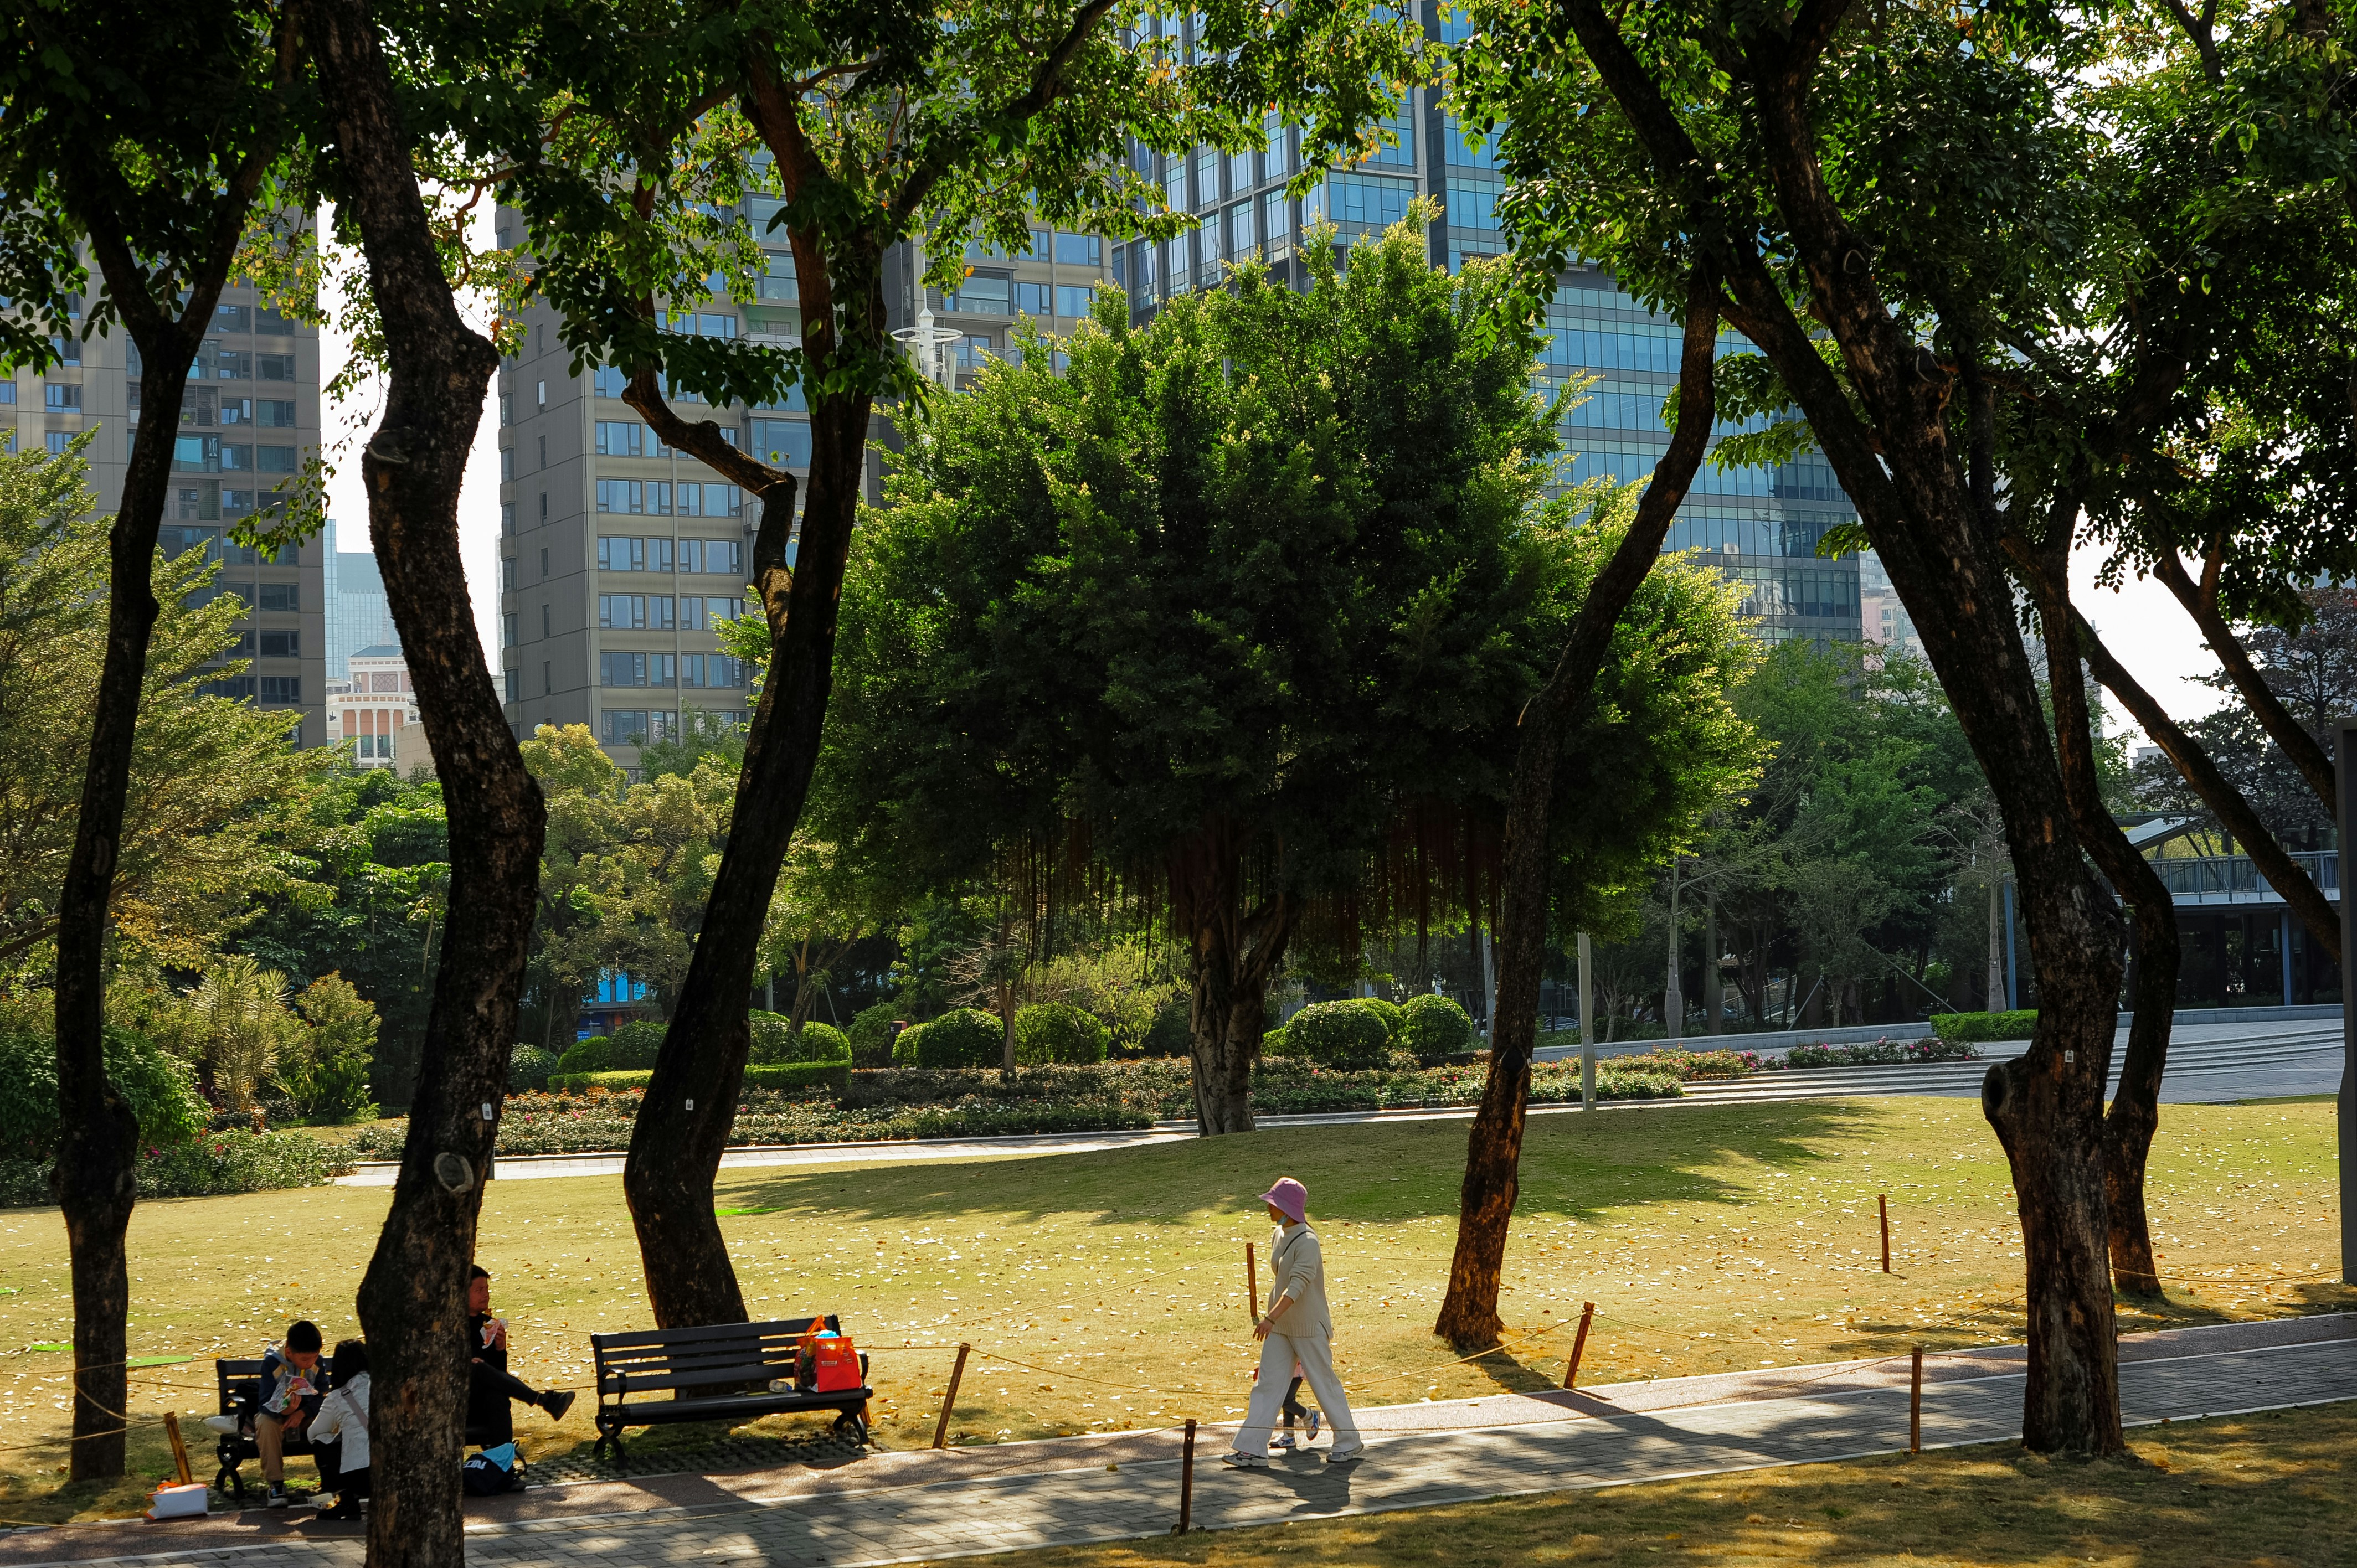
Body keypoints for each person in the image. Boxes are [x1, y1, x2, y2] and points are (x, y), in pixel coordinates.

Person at [1224, 1177, 1362, 1469]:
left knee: (1325, 1384)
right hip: (1282, 1326)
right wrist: (1274, 1319)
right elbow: (1282, 1281)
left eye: (1274, 1204)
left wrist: (1270, 1317)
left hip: (1308, 1326)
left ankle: (1348, 1441)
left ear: (1289, 1208)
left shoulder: (1308, 1242)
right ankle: (1252, 1449)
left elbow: (1296, 1287)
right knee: (1267, 1385)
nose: (1269, 1208)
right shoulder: (1278, 1234)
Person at [200, 1319, 327, 1507]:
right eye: (305, 1360)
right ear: (290, 1353)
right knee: (266, 1424)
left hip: (305, 1418)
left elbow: (322, 1395)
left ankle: (331, 1478)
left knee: (330, 1419)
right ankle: (276, 1484)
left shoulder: (317, 1364)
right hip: (277, 1419)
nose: (311, 1363)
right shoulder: (272, 1363)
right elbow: (265, 1403)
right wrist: (287, 1410)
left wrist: (301, 1413)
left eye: (315, 1357)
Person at [466, 1265, 575, 1446]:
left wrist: (501, 1348)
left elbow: (499, 1375)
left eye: (487, 1289)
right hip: (460, 1400)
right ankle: (543, 1400)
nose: (485, 1295)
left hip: (482, 1401)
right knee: (477, 1369)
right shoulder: (450, 1325)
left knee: (498, 1398)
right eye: (479, 1290)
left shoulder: (489, 1324)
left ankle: (504, 1467)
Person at [306, 1340, 370, 1521]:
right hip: (394, 1470)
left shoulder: (338, 1397)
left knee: (322, 1441)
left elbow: (313, 1433)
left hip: (361, 1479)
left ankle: (343, 1500)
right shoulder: (387, 1387)